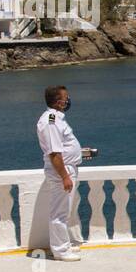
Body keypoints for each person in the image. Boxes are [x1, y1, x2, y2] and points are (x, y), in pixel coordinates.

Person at [37, 85, 94, 261]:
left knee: (64, 211)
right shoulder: (51, 121)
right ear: (58, 102)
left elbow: (62, 147)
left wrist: (79, 152)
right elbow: (54, 153)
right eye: (66, 97)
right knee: (59, 213)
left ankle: (64, 245)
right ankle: (61, 251)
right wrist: (64, 177)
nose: (68, 100)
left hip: (67, 168)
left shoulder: (57, 119)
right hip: (62, 171)